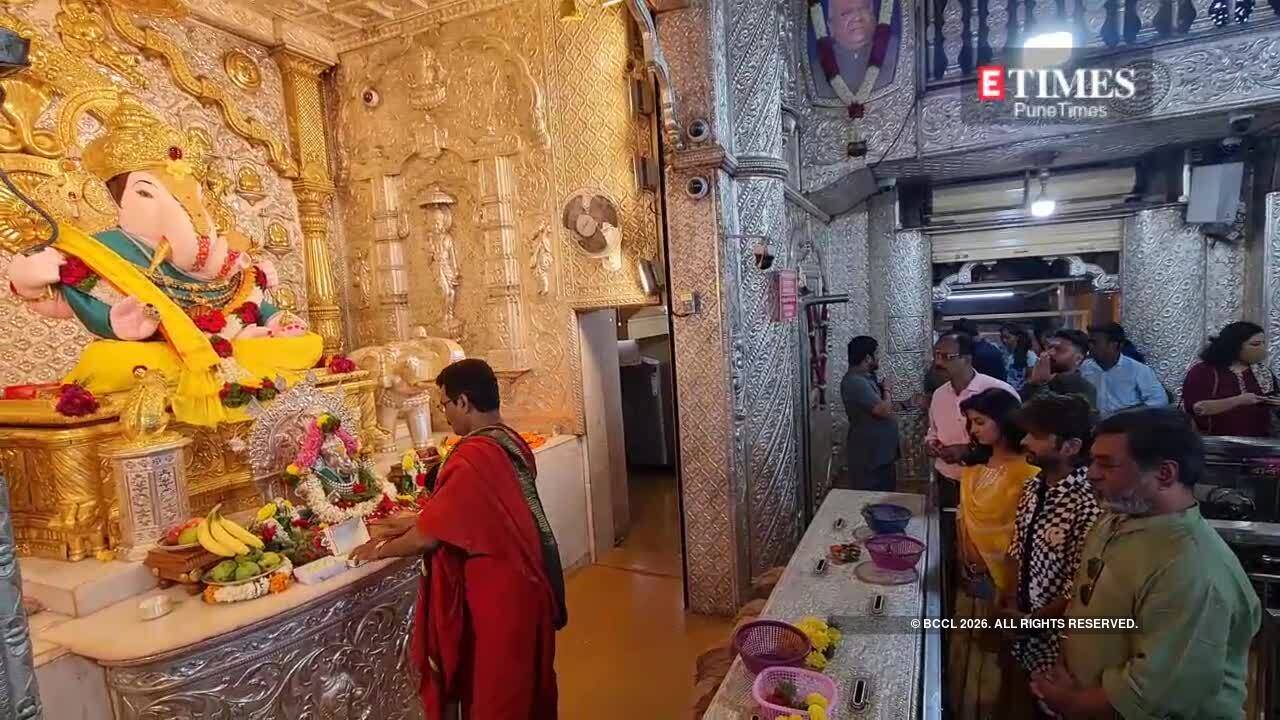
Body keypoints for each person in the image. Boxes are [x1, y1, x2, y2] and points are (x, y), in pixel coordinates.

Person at [351, 359, 567, 720]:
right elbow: (481, 513)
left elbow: (426, 539)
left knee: (499, 694)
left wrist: (375, 551)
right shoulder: (509, 442)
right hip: (530, 582)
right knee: (525, 686)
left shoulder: (472, 457)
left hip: (499, 595)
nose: (445, 413)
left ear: (464, 402)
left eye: (444, 404)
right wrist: (412, 519)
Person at [1031, 409, 1261, 719]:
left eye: (1107, 464)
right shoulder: (1114, 519)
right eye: (1093, 460)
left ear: (1164, 474)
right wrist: (1066, 670)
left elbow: (1158, 693)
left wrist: (1071, 703)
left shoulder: (1190, 567)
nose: (1091, 473)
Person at [948, 388, 1039, 719]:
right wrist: (964, 558)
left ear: (1004, 422)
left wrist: (1005, 588)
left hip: (1003, 585)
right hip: (969, 578)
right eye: (971, 423)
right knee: (966, 648)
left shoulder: (1028, 474)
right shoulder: (973, 467)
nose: (973, 430)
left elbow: (1021, 538)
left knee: (994, 657)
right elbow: (963, 519)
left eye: (980, 422)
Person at [1007, 393, 1102, 677]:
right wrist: (1012, 606)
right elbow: (1016, 548)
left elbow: (1078, 588)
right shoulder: (1033, 486)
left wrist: (1032, 621)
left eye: (1036, 436)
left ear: (1071, 446)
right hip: (1023, 625)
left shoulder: (1087, 503)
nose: (1024, 442)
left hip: (1057, 642)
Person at [927, 332, 1021, 495]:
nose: (938, 362)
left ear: (967, 359)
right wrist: (931, 444)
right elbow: (933, 431)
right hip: (948, 479)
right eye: (936, 355)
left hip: (990, 481)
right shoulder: (939, 394)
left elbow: (1016, 439)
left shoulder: (997, 391)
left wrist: (968, 450)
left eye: (946, 356)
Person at [1182, 320, 1279, 437]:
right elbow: (1198, 409)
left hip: (1259, 444)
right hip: (1215, 445)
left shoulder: (1262, 372)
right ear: (1234, 346)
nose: (1262, 349)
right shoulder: (1203, 371)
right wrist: (1239, 400)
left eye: (1263, 343)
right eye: (1255, 344)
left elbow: (1273, 405)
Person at [839, 336, 900, 491]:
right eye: (877, 354)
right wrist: (887, 389)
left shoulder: (865, 379)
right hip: (870, 457)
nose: (879, 359)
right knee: (871, 501)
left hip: (880, 455)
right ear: (867, 358)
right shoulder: (855, 382)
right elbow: (884, 410)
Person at [1080, 323, 1167, 417]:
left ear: (1115, 345)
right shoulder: (1084, 367)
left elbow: (1159, 401)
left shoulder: (1137, 369)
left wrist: (1124, 415)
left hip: (1127, 426)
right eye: (1089, 342)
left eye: (1094, 343)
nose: (1090, 347)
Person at [1022, 329, 1098, 412]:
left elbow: (1057, 415)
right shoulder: (1038, 379)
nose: (1050, 353)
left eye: (1059, 349)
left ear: (1078, 359)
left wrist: (1040, 385)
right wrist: (1033, 384)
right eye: (1050, 347)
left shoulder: (1084, 388)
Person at [1000, 323, 1038, 389]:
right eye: (1002, 338)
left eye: (1007, 337)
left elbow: (1031, 378)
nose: (1004, 341)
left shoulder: (1029, 355)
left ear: (1017, 337)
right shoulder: (1004, 354)